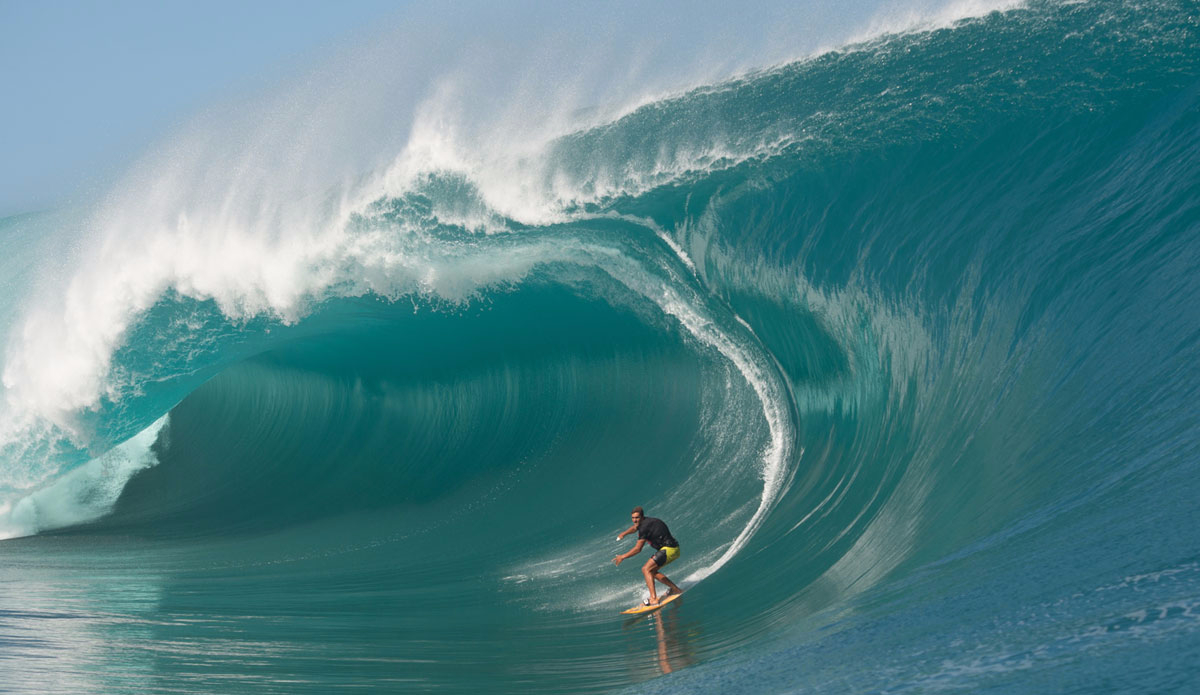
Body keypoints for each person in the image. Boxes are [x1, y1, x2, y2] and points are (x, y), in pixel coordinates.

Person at [613, 506, 682, 605]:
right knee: (652, 572)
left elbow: (638, 549)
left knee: (646, 569)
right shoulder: (646, 522)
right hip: (672, 549)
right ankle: (675, 589)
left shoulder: (644, 528)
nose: (634, 520)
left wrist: (622, 557)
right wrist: (624, 533)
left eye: (637, 518)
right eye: (633, 518)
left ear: (642, 516)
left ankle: (653, 598)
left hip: (669, 549)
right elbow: (634, 528)